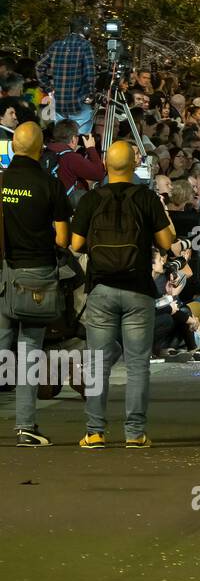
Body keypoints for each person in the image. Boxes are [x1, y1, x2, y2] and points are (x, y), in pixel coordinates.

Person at [70, 140, 176, 449]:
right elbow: (166, 242)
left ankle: (94, 432)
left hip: (101, 289)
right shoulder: (145, 198)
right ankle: (135, 433)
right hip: (137, 290)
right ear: (132, 166)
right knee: (138, 363)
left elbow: (76, 245)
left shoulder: (91, 199)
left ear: (105, 165)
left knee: (98, 364)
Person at [0, 122, 73, 446]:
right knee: (29, 352)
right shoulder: (50, 185)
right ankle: (26, 426)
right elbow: (62, 237)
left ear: (14, 146)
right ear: (40, 147)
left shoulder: (1, 181)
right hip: (37, 276)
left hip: (3, 274)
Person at [36, 16, 97, 135]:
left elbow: (39, 67)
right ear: (86, 29)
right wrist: (90, 94)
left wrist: (49, 88)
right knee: (80, 139)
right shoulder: (86, 46)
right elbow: (90, 74)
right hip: (79, 103)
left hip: (59, 103)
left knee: (62, 137)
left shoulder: (56, 46)